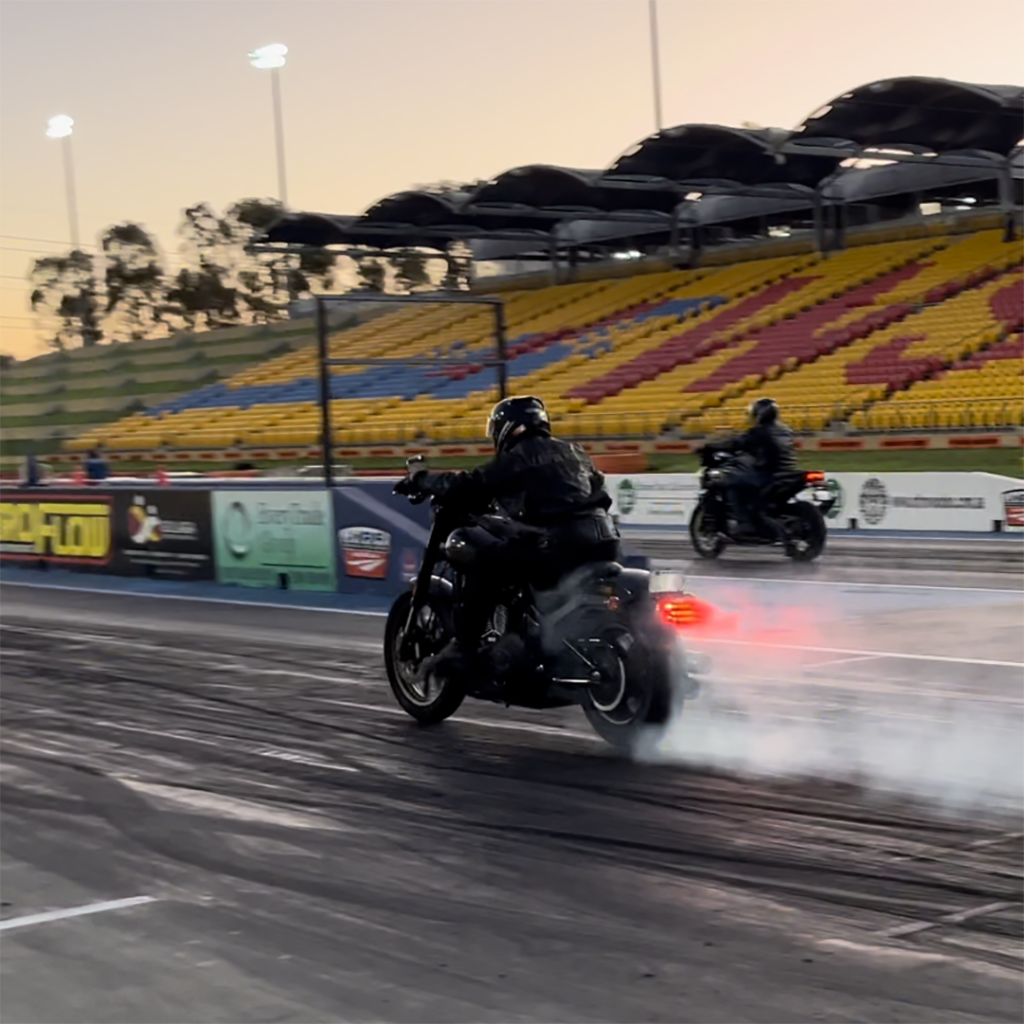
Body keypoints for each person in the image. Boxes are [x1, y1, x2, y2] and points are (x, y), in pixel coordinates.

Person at [396, 396, 620, 676]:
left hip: (559, 545)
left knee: (488, 562)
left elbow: (473, 483)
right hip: (603, 541)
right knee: (519, 557)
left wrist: (422, 480)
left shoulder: (521, 455)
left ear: (507, 428)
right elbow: (592, 490)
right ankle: (523, 635)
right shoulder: (575, 451)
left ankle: (464, 649)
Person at [707, 397, 798, 537]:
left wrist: (711, 446)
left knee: (731, 482)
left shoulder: (759, 432)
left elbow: (736, 443)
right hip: (787, 470)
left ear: (760, 414)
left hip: (767, 473)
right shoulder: (786, 430)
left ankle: (745, 523)